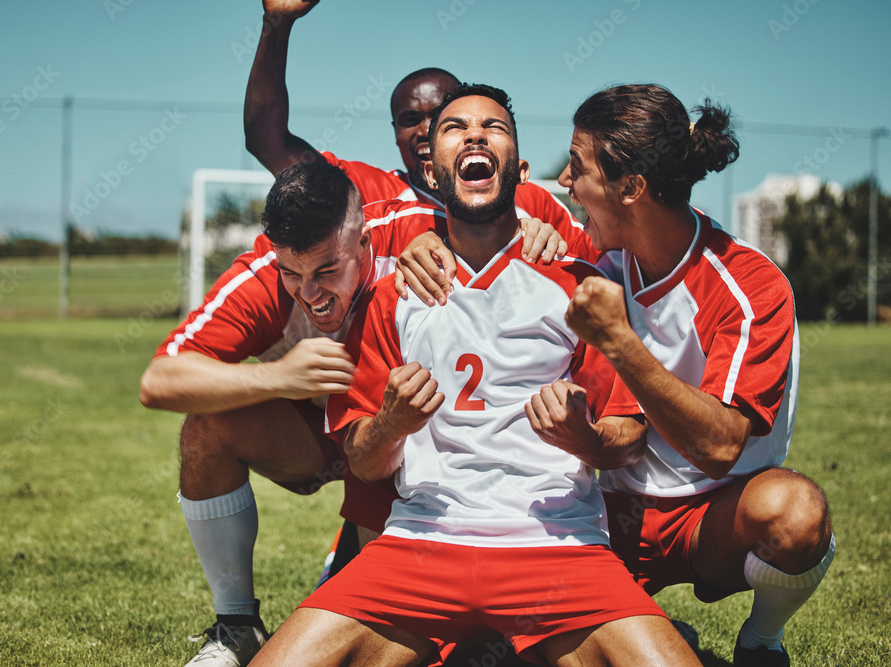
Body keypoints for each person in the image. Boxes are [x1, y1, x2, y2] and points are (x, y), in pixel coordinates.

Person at [249, 83, 702, 667]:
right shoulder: (393, 294)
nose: (475, 136)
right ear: (430, 173)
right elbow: (363, 463)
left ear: (520, 169)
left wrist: (583, 437)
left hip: (557, 548)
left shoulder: (578, 287)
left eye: (494, 127)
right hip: (420, 546)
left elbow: (630, 438)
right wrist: (391, 424)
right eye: (454, 127)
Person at [140, 160, 558, 667]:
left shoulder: (416, 231)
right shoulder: (263, 276)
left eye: (326, 271)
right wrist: (280, 377)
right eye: (291, 274)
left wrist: (542, 230)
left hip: (423, 445)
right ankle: (237, 626)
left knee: (423, 632)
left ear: (364, 242)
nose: (309, 293)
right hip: (327, 439)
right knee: (207, 426)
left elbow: (523, 217)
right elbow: (159, 379)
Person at [552, 83, 835, 666]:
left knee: (797, 514)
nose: (564, 181)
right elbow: (496, 219)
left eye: (577, 166)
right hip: (613, 510)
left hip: (716, 517)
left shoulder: (750, 285)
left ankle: (762, 642)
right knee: (510, 643)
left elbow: (720, 447)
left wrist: (621, 342)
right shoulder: (598, 255)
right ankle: (650, 623)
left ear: (631, 188)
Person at [243, 0, 593, 273]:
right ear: (395, 133)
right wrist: (277, 24)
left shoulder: (528, 199)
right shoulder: (366, 193)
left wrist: (553, 240)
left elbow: (597, 261)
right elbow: (268, 143)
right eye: (410, 120)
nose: (425, 130)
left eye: (443, 119)